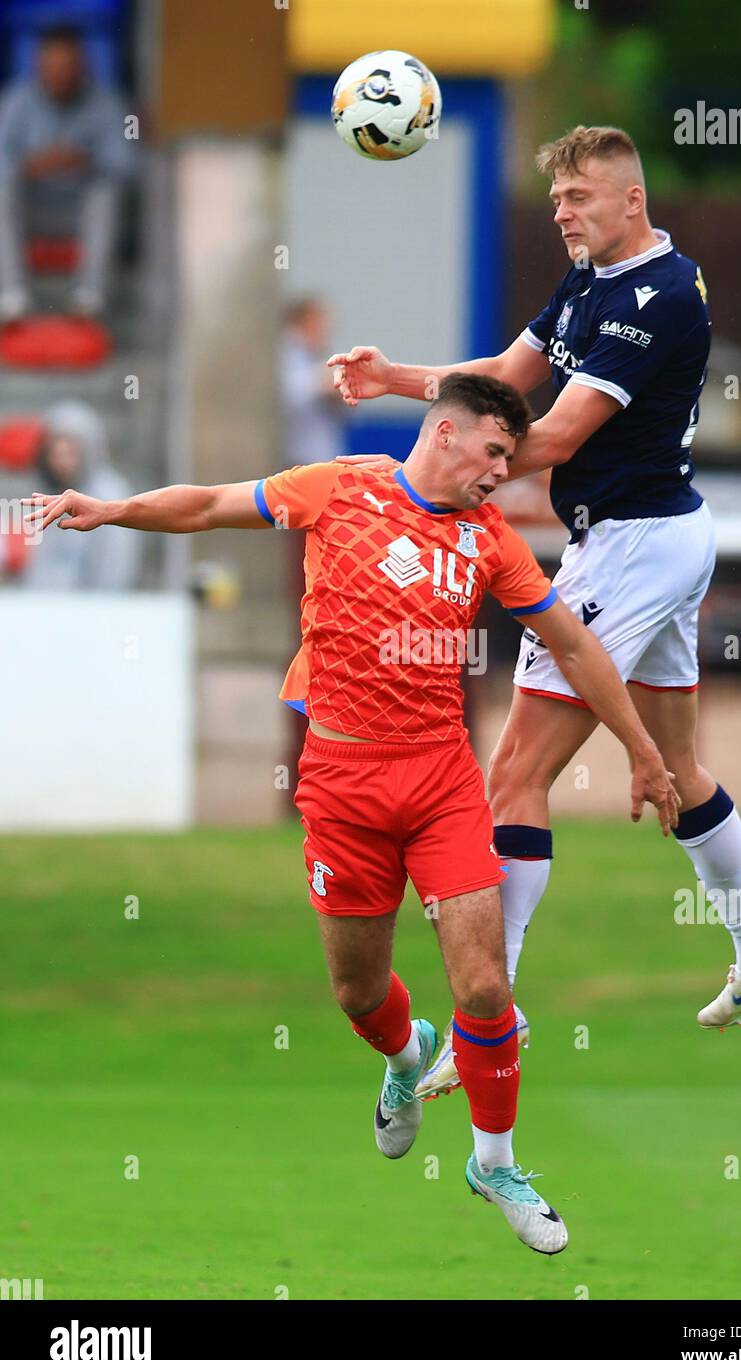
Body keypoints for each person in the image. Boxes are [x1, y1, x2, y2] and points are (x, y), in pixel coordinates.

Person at [28, 373, 680, 1256]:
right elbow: (212, 505)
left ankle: (495, 1162)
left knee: (486, 987)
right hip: (340, 781)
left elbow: (572, 643)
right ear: (445, 433)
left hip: (443, 780)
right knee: (356, 993)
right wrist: (110, 509)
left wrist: (643, 748)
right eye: (495, 453)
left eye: (512, 460)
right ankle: (405, 1053)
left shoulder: (491, 540)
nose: (504, 473)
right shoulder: (341, 486)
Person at [328, 126, 741, 1104]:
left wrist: (448, 481)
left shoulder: (657, 296)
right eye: (553, 203)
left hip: (633, 546)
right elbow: (503, 384)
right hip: (652, 535)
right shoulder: (591, 281)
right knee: (677, 767)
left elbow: (545, 434)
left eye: (578, 199)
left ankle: (489, 1005)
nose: (562, 216)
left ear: (629, 200)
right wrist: (397, 380)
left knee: (512, 770)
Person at [0, 23, 135, 322]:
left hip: (82, 213)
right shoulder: (15, 102)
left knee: (107, 189)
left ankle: (89, 299)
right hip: (32, 211)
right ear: (38, 66)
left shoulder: (110, 105)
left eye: (66, 66)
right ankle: (11, 298)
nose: (59, 74)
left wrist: (83, 160)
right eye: (51, 67)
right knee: (2, 188)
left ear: (82, 65)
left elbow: (128, 166)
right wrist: (31, 166)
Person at [21, 400, 141, 591]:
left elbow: (115, 567)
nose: (61, 463)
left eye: (70, 453)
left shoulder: (110, 497)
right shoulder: (49, 496)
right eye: (55, 454)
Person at [279, 298, 346, 468]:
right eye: (320, 322)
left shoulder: (320, 354)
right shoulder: (285, 354)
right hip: (294, 457)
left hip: (319, 457)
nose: (327, 328)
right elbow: (284, 395)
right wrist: (321, 384)